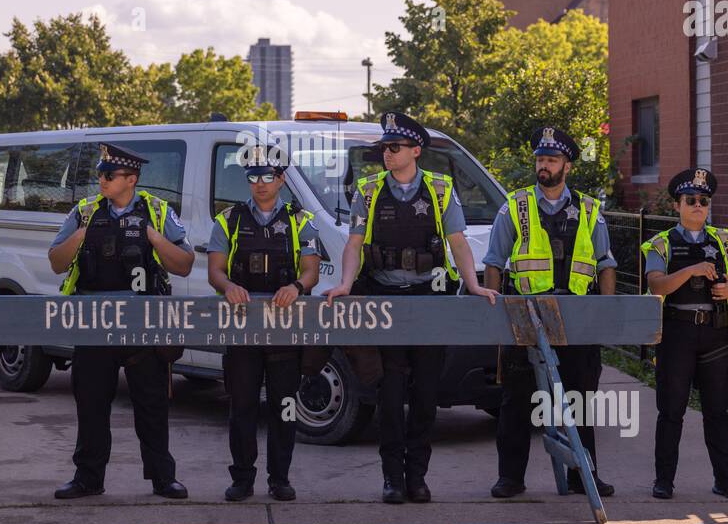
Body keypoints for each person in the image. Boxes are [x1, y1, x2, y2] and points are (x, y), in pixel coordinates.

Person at [325, 112, 496, 504]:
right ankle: (392, 478)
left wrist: (473, 285)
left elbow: (458, 241)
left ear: (416, 151)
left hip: (429, 302)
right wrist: (346, 285)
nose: (387, 153)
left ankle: (417, 476)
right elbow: (353, 244)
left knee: (425, 394)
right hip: (386, 303)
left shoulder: (439, 189)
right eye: (385, 147)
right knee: (390, 393)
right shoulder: (367, 191)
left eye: (395, 147)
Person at [49, 143, 195, 500]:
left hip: (143, 321)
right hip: (94, 320)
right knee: (91, 404)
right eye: (100, 173)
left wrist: (153, 237)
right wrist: (82, 234)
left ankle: (163, 478)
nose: (101, 179)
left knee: (152, 404)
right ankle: (87, 478)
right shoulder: (84, 212)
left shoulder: (158, 212)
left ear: (131, 179)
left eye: (109, 175)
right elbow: (55, 261)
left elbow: (184, 263)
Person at [483, 126, 618, 499]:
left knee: (580, 400)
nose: (544, 166)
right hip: (526, 316)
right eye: (540, 160)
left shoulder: (590, 210)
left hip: (577, 318)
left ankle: (583, 475)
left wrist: (602, 314)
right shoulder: (516, 206)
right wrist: (496, 314)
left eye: (551, 160)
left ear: (567, 166)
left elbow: (606, 264)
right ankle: (510, 478)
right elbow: (494, 262)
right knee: (516, 400)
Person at [208, 146, 321, 502]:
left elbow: (312, 270)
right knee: (241, 407)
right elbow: (215, 270)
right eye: (253, 176)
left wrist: (297, 286)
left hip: (285, 329)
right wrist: (228, 286)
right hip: (242, 329)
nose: (260, 184)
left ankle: (280, 479)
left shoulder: (301, 221)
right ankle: (242, 479)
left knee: (283, 407)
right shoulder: (229, 219)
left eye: (268, 176)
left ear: (281, 180)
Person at [641, 168, 728, 500]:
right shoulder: (661, 243)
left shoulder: (724, 240)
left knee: (717, 411)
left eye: (704, 200)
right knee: (672, 410)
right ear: (677, 206)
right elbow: (656, 284)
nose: (698, 206)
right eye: (690, 200)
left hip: (715, 336)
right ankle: (664, 480)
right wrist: (691, 270)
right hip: (676, 334)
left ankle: (724, 479)